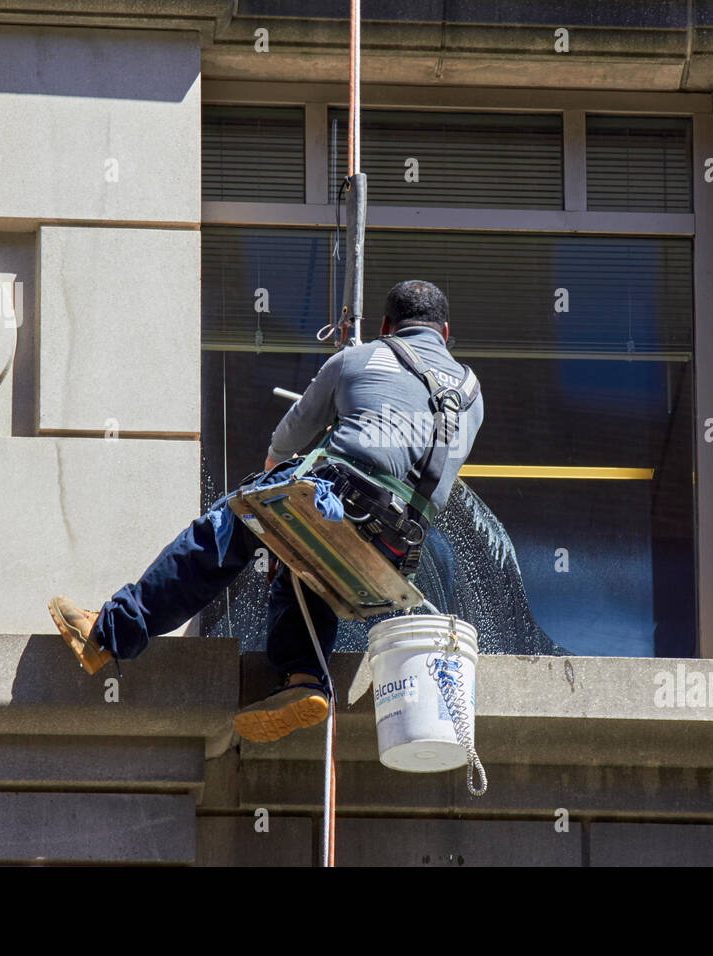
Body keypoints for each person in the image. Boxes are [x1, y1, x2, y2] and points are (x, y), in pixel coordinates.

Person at [47, 280, 484, 743]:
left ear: (384, 326)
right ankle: (303, 678)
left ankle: (110, 633)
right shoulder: (472, 393)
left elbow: (284, 444)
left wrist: (270, 490)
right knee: (308, 564)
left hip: (342, 497)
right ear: (445, 331)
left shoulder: (358, 359)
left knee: (227, 526)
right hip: (398, 548)